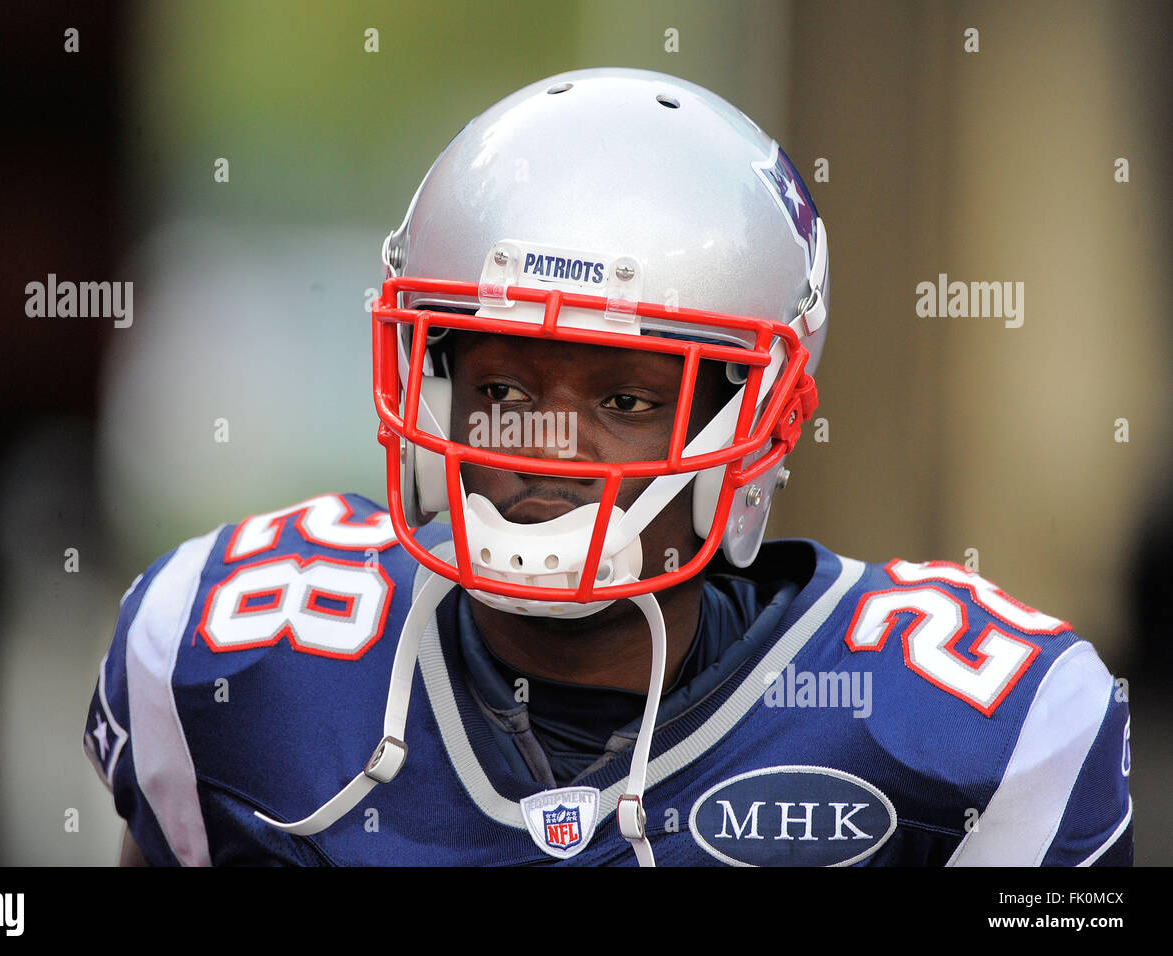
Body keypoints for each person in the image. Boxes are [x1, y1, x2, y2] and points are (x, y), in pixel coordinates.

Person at [85, 68, 1132, 866]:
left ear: (753, 420)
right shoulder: (244, 664)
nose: (549, 440)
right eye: (502, 388)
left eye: (624, 399)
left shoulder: (958, 729)